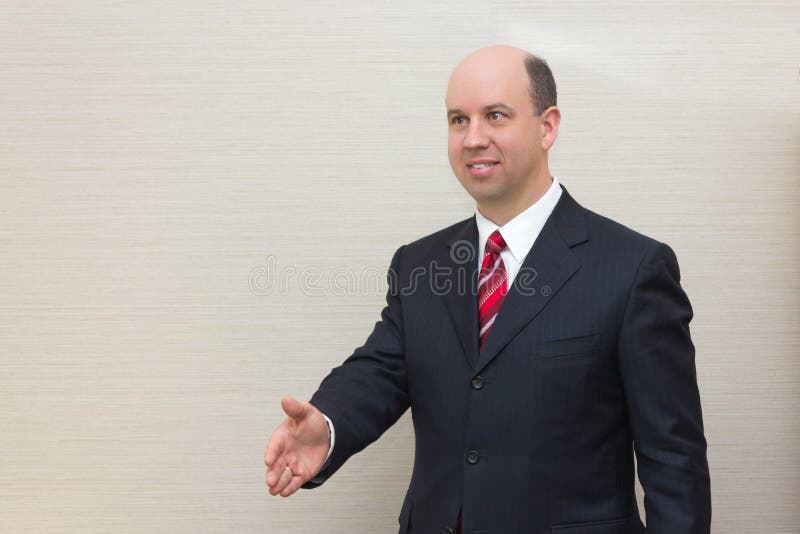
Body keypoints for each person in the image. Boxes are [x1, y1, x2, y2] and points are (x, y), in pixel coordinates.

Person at [264, 45, 711, 533]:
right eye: (459, 120)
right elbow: (380, 371)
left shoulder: (633, 268)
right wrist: (327, 427)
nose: (473, 138)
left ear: (547, 127)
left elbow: (674, 462)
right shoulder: (419, 264)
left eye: (495, 116)